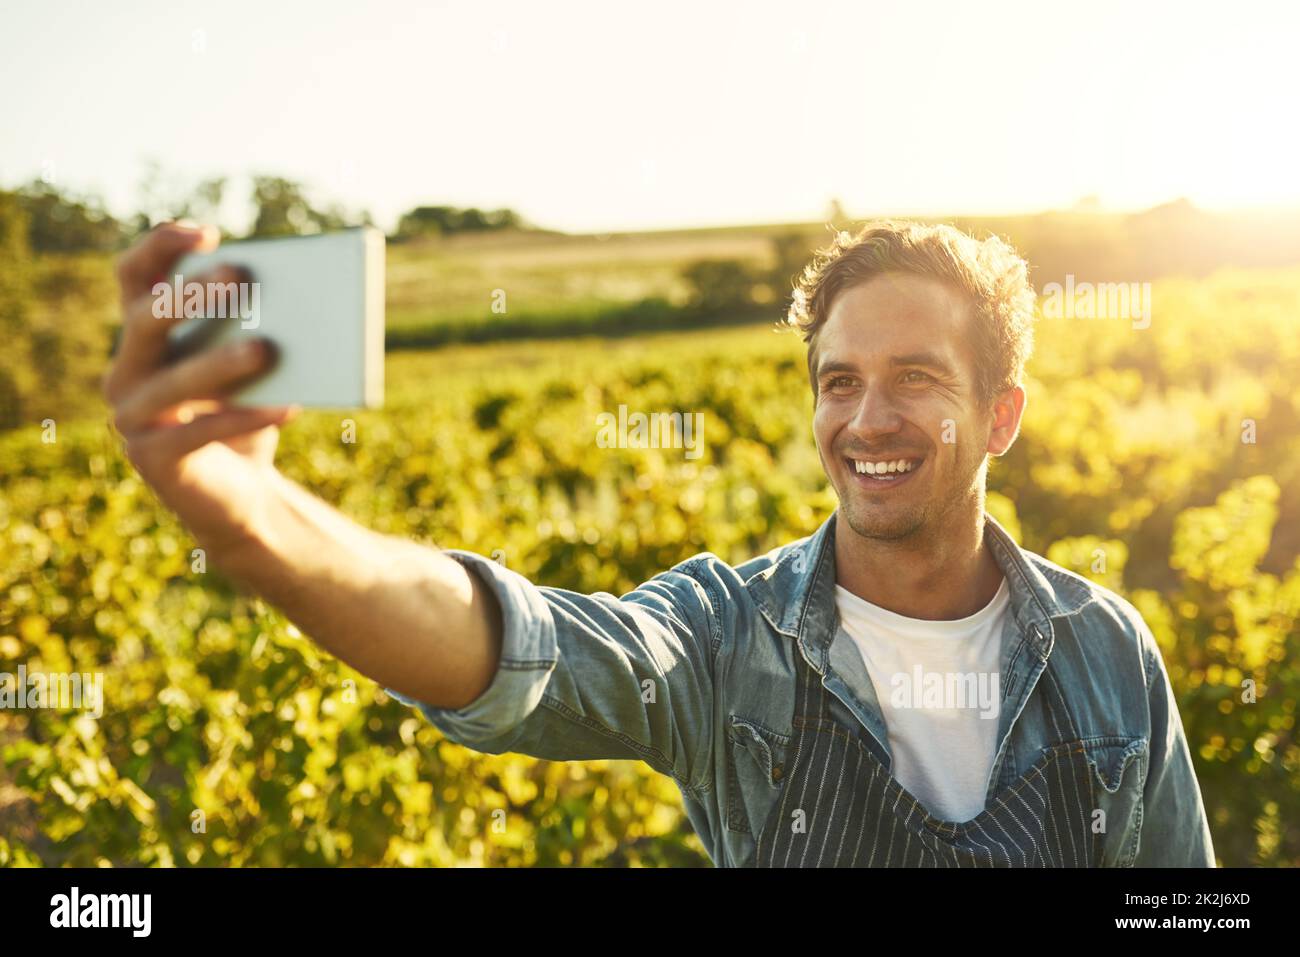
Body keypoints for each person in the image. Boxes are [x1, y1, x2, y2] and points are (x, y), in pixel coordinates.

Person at [103, 219, 1216, 867]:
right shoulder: (727, 638)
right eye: (840, 383)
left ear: (1001, 417)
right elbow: (517, 652)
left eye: (915, 380)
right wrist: (255, 527)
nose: (866, 420)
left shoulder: (1106, 652)